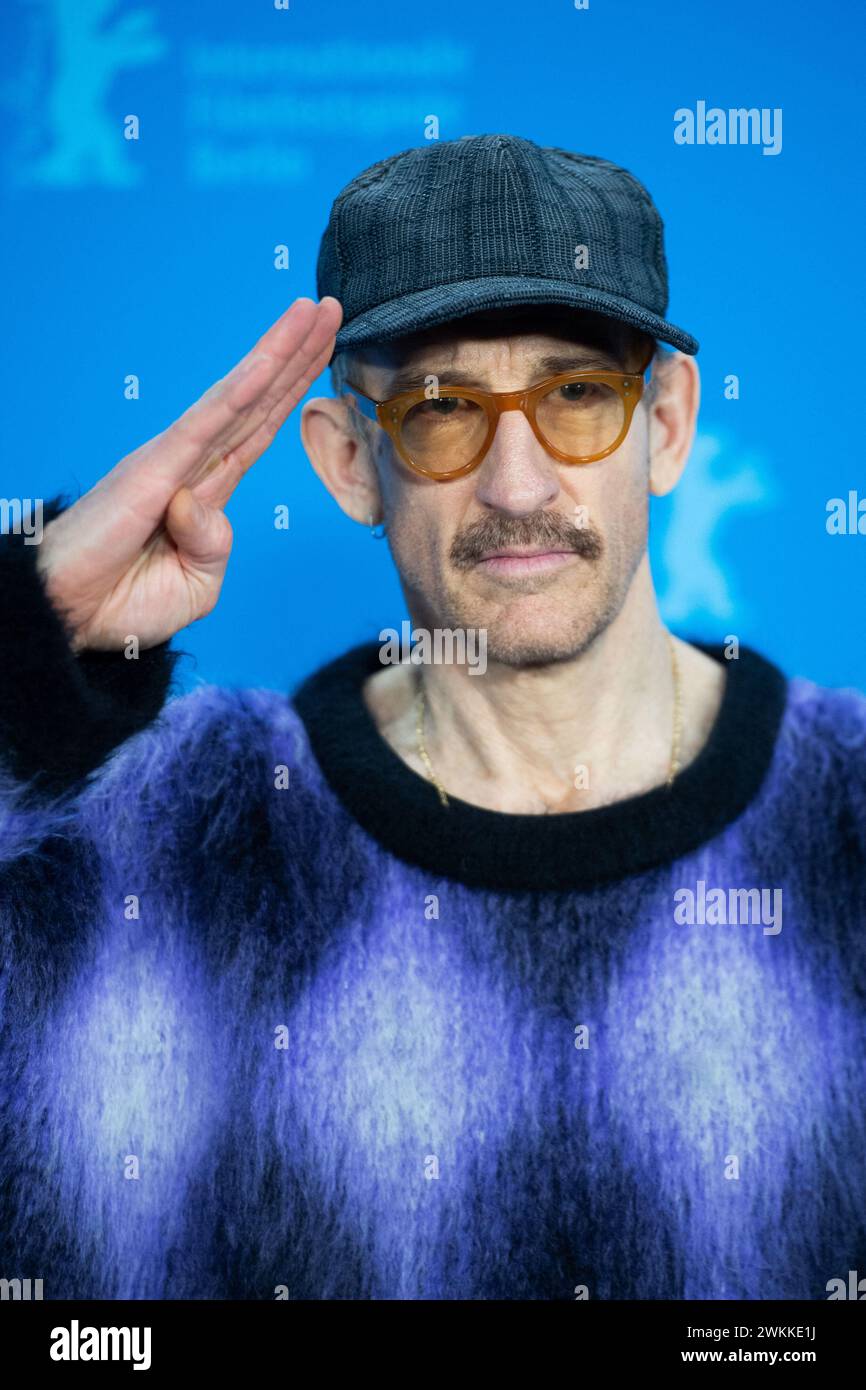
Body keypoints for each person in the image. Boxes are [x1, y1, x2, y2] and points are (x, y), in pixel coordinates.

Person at [1, 134, 864, 1301]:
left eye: (574, 393)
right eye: (442, 407)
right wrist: (23, 647)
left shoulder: (849, 807)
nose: (515, 486)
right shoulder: (177, 832)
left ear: (663, 425)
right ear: (349, 460)